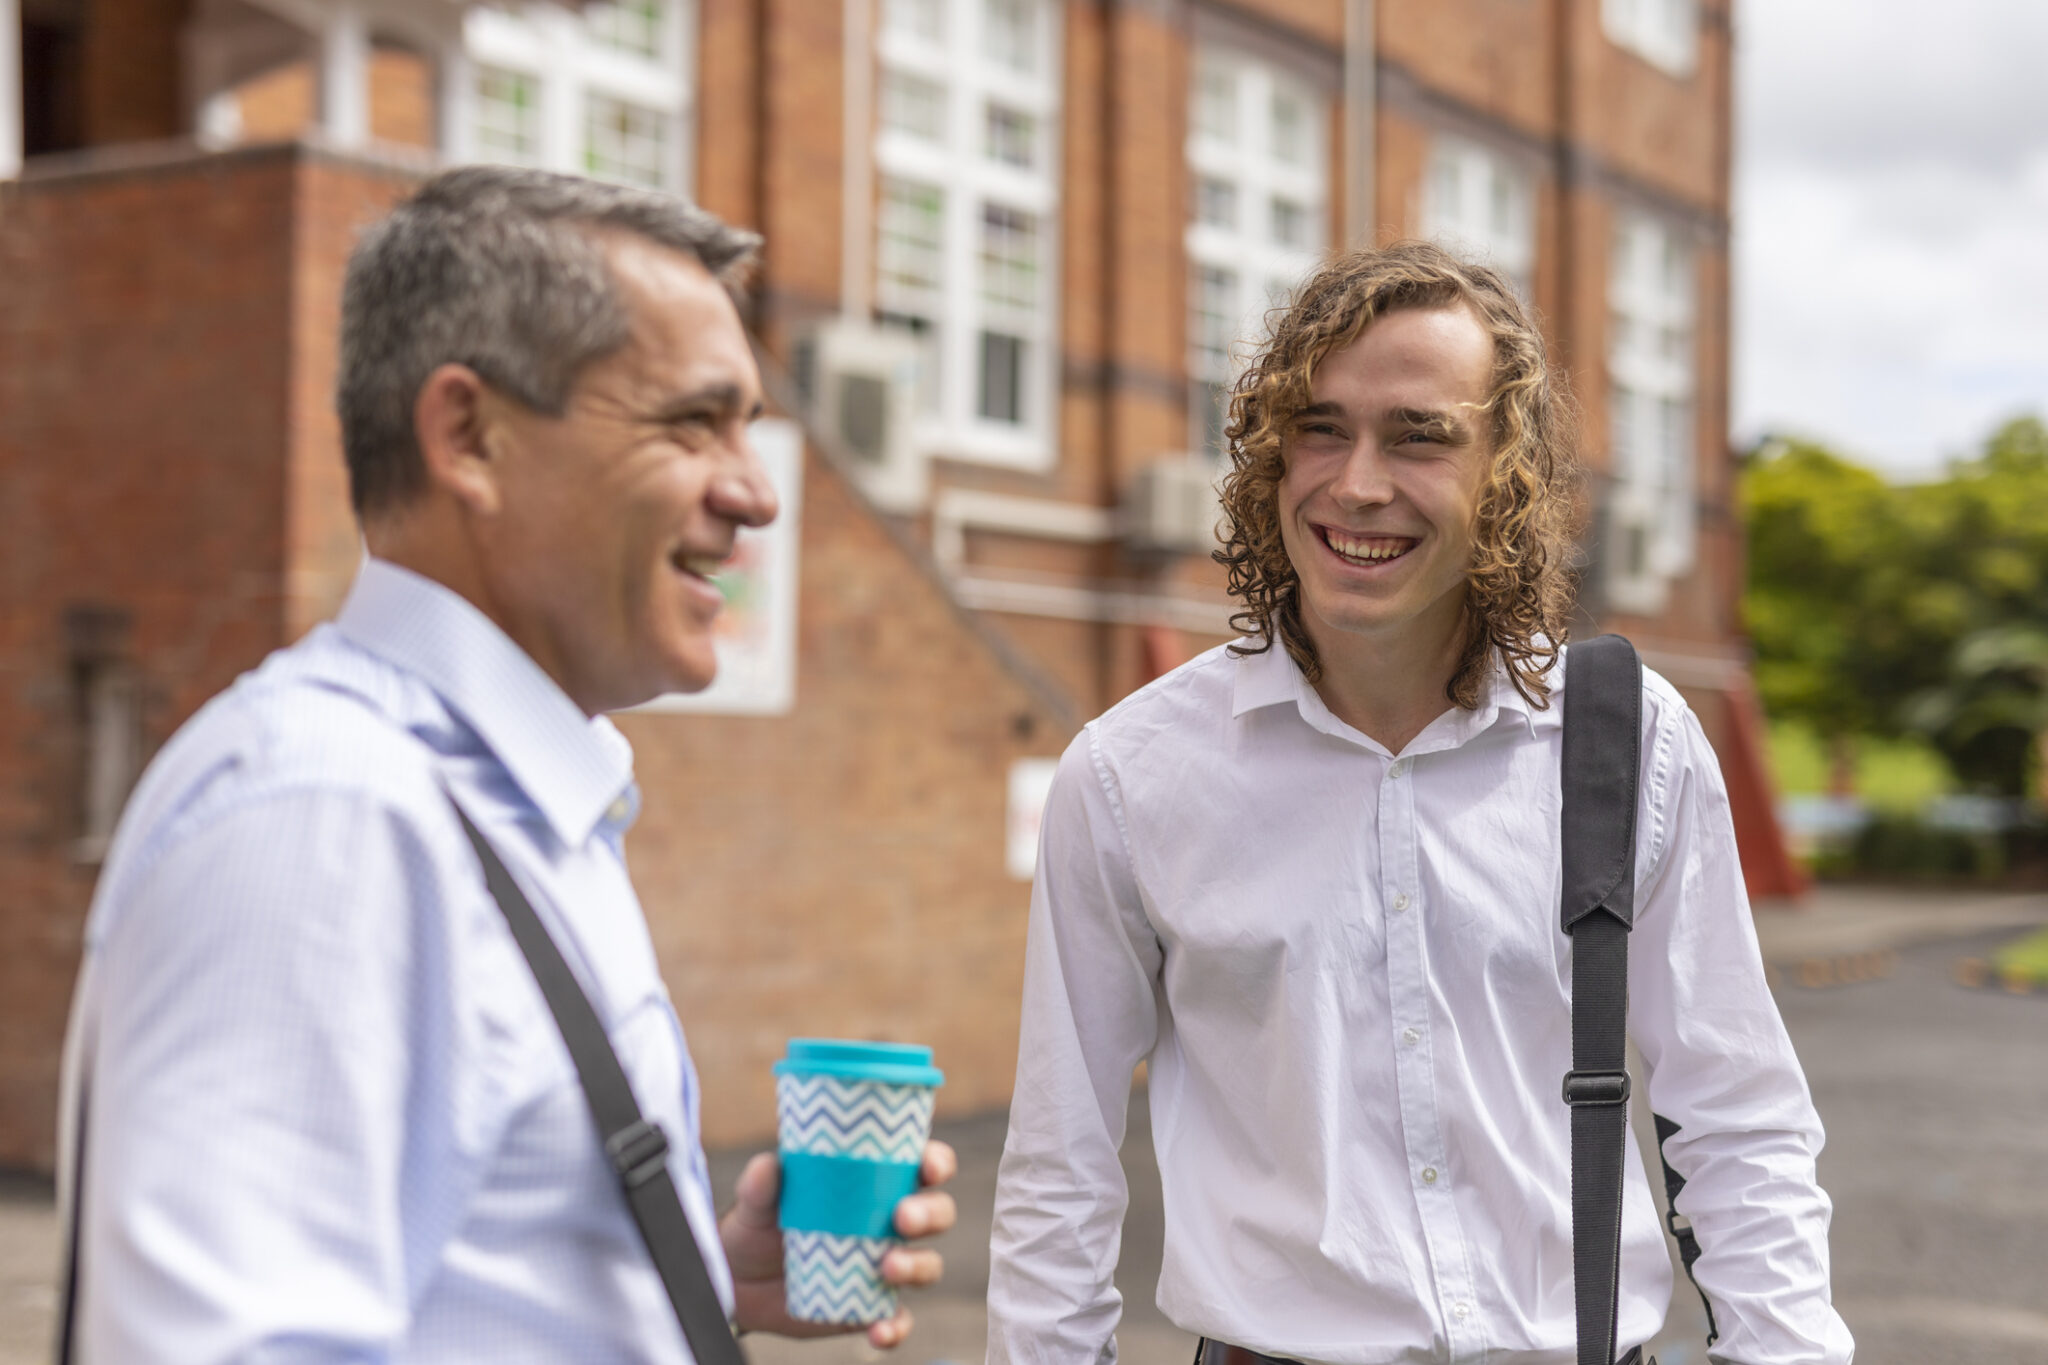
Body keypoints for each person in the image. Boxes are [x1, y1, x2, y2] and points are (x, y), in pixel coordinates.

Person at [55, 166, 955, 1361]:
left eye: (748, 425)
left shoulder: (496, 801)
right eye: (690, 421)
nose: (753, 493)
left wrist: (678, 1269)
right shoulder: (328, 815)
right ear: (468, 436)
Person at [985, 242, 1852, 1364]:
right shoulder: (1130, 775)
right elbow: (1059, 1166)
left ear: (1507, 471)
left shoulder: (1627, 742)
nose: (1355, 483)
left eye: (1418, 436)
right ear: (1265, 454)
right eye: (1318, 428)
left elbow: (1737, 1116)